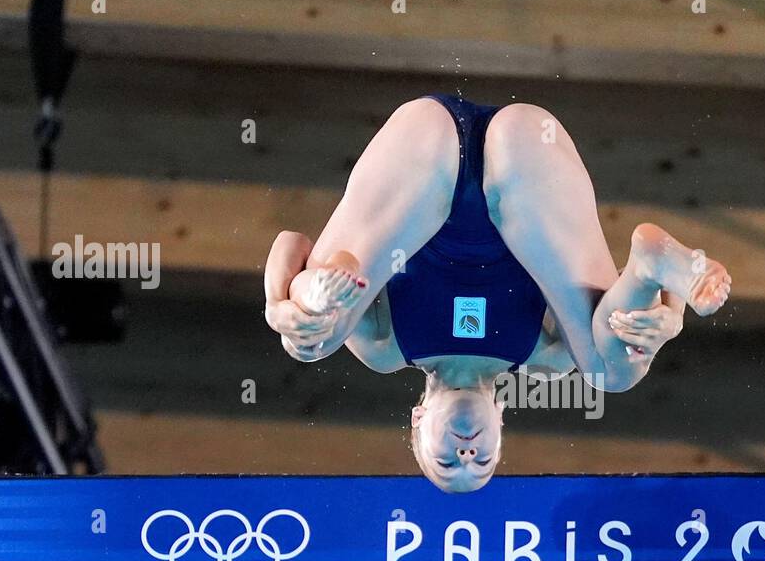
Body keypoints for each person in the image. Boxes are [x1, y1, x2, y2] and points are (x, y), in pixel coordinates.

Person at [263, 94, 731, 492]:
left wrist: (274, 305)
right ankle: (650, 265)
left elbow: (291, 243)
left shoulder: (384, 348)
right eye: (483, 462)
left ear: (418, 420)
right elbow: (622, 325)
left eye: (448, 462)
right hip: (527, 156)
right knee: (611, 371)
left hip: (422, 159)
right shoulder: (547, 355)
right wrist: (670, 317)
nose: (467, 453)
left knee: (311, 342)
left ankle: (324, 285)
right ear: (501, 424)